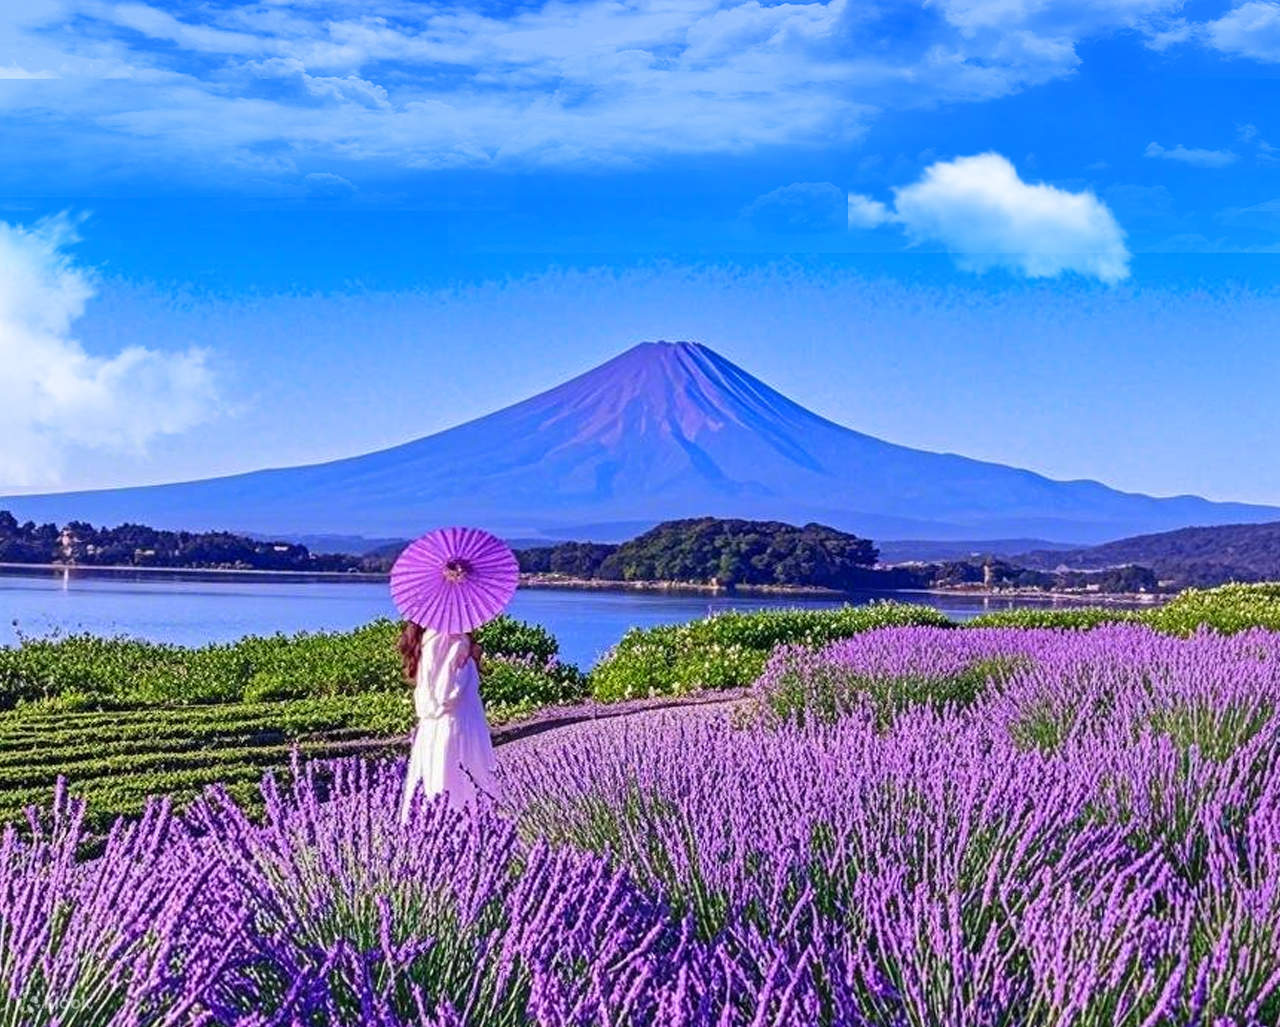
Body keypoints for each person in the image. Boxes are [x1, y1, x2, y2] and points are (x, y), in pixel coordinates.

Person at [398, 621, 500, 822]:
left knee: (439, 790)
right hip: (455, 728)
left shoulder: (437, 636)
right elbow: (444, 694)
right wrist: (470, 660)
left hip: (444, 728)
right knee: (454, 791)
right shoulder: (448, 637)